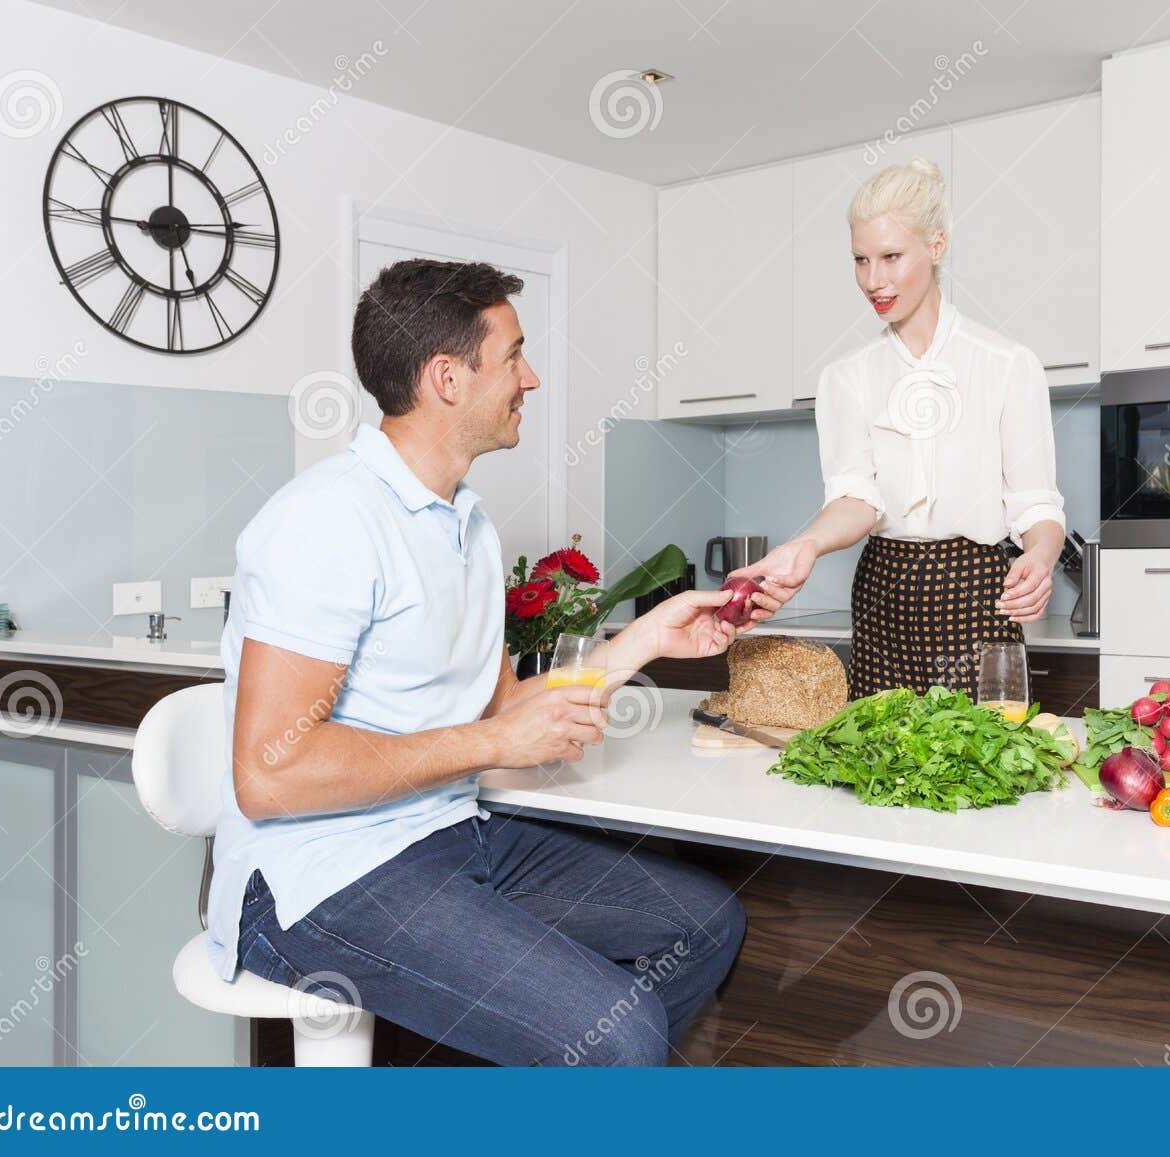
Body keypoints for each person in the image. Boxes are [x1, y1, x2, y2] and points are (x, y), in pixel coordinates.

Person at [212, 258, 775, 1065]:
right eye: (513, 355)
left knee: (702, 924)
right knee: (618, 1034)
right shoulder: (325, 522)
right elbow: (269, 773)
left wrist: (648, 638)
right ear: (447, 377)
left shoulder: (464, 525)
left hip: (447, 833)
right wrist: (490, 748)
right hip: (316, 880)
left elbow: (499, 709)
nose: (531, 377)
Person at [733, 160, 1066, 698]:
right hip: (883, 589)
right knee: (879, 762)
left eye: (891, 257)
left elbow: (1036, 503)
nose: (873, 280)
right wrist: (806, 546)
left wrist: (1040, 557)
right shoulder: (845, 378)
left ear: (936, 245)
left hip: (977, 589)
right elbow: (856, 499)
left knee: (976, 761)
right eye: (861, 260)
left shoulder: (1006, 363)